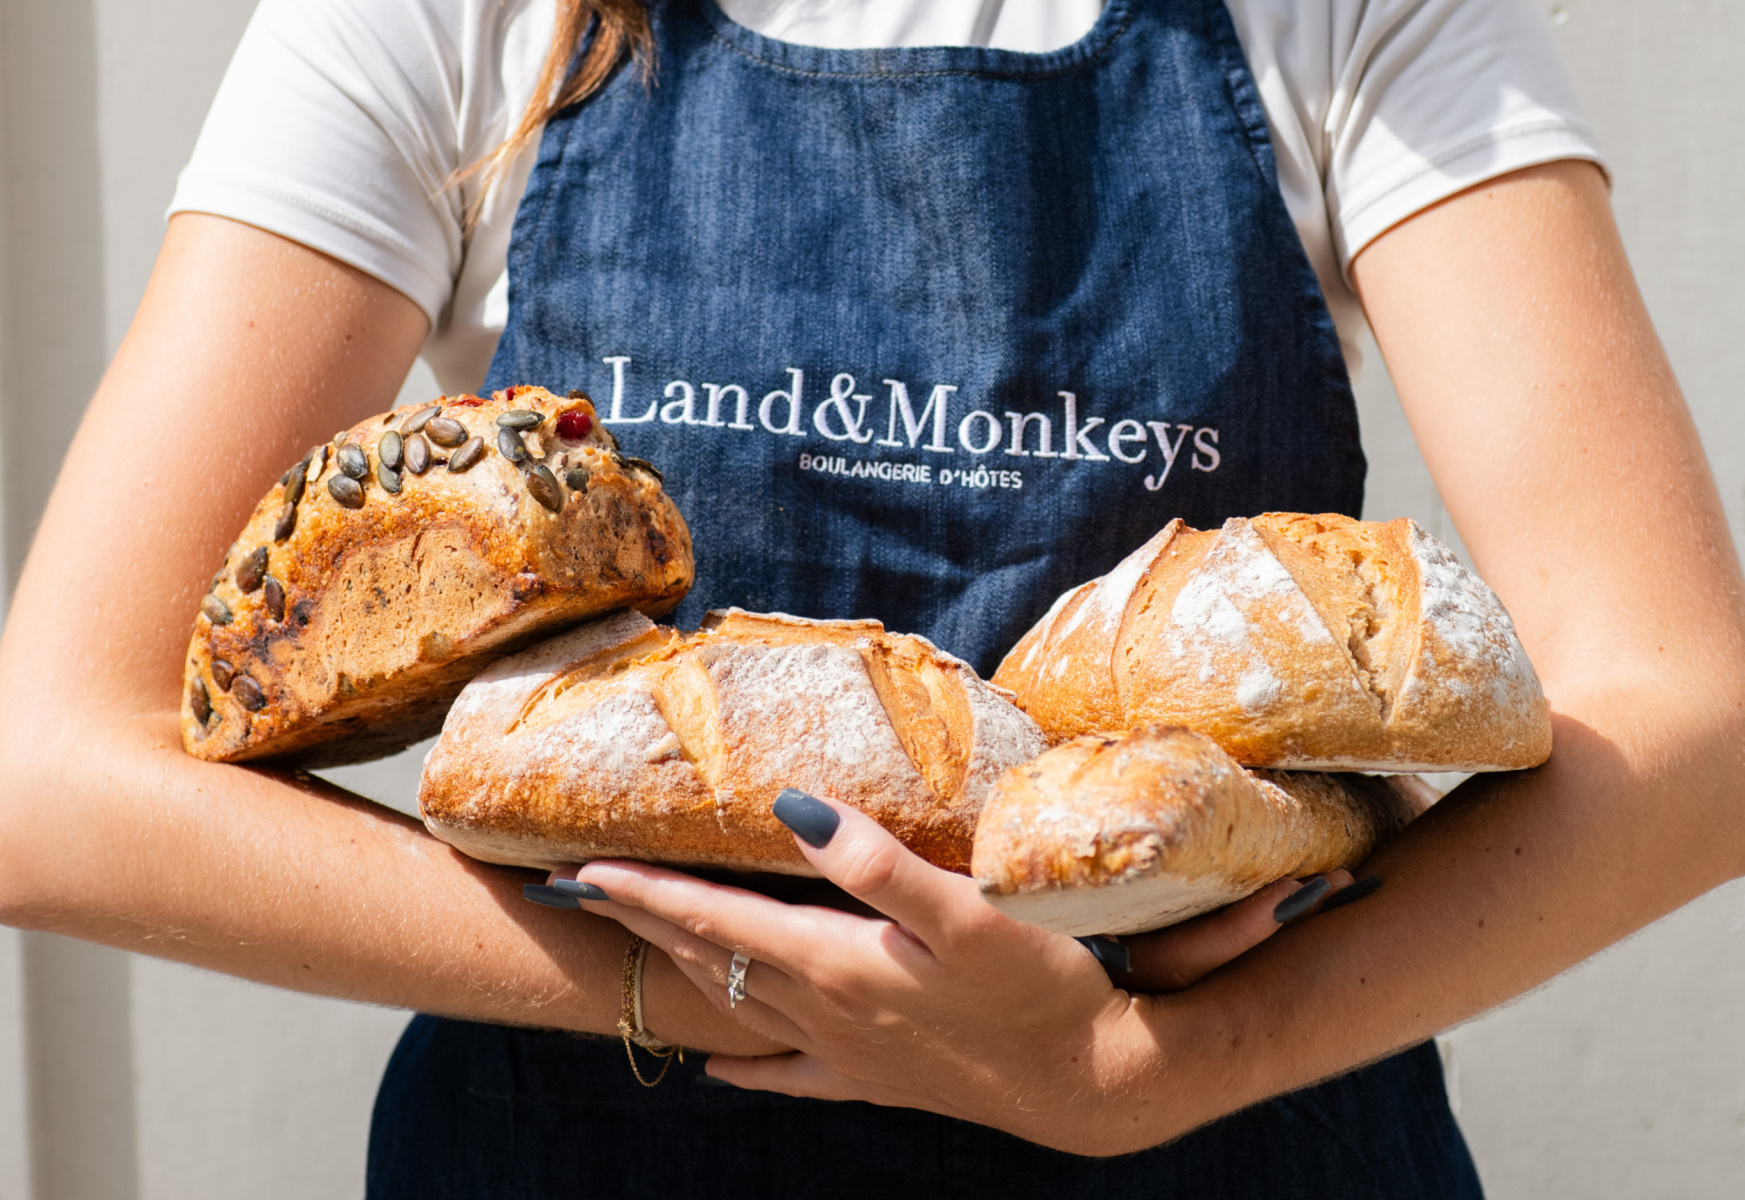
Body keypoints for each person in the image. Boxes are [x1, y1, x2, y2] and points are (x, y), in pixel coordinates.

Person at [1, 0, 1741, 1195]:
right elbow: (55, 781)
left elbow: (1692, 713)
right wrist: (773, 994)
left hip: (1241, 1133)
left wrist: (1150, 1074)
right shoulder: (467, 20)